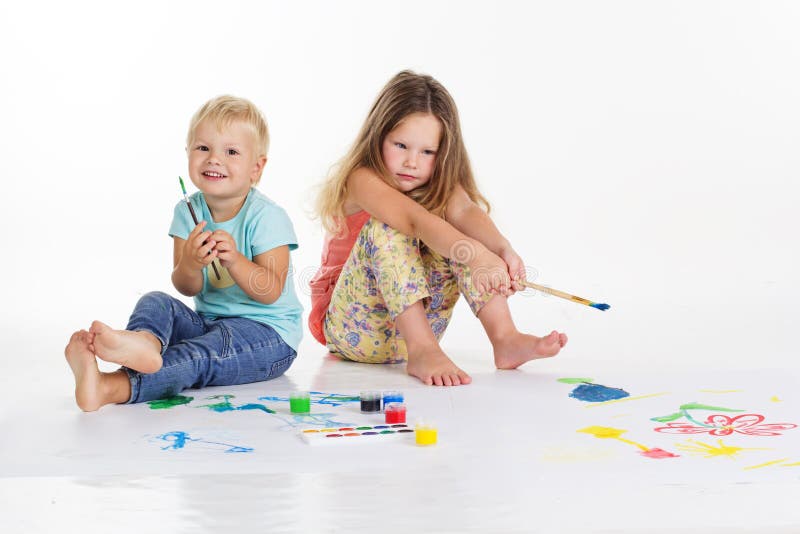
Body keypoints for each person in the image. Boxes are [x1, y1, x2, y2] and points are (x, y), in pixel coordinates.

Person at [308, 70, 567, 387]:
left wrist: (500, 250)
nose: (412, 162)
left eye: (427, 152)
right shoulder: (361, 180)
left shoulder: (437, 185)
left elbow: (464, 210)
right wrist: (475, 255)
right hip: (354, 330)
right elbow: (414, 220)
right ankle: (423, 349)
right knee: (397, 228)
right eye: (401, 145)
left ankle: (505, 339)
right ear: (378, 137)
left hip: (421, 323)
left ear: (443, 153)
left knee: (462, 234)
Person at [65, 95, 303, 411]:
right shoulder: (187, 211)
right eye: (203, 148)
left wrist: (235, 260)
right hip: (211, 322)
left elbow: (270, 291)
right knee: (155, 300)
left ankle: (111, 386)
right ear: (188, 153)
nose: (214, 159)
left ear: (256, 168)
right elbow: (186, 287)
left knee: (198, 355)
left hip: (269, 338)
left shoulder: (268, 217)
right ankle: (145, 343)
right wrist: (190, 262)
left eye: (231, 152)